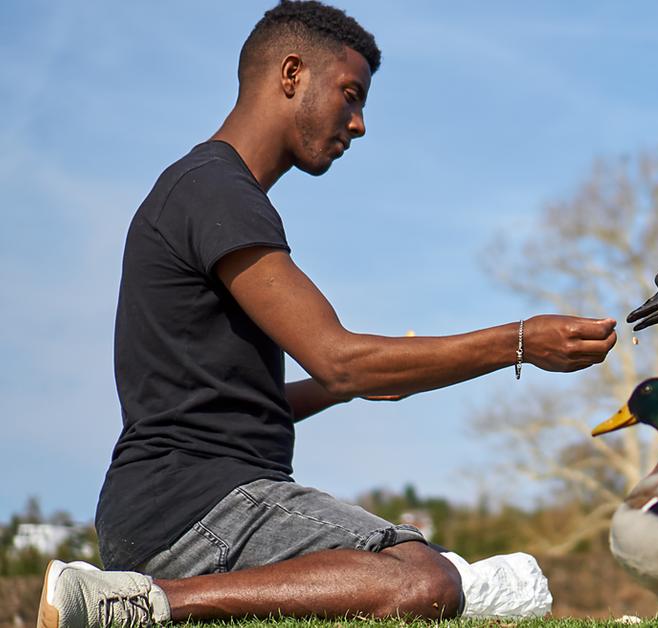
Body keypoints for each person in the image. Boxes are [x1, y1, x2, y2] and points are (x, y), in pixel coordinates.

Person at [37, 2, 618, 626]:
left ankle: (139, 598)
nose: (359, 123)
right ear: (291, 74)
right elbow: (342, 360)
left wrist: (345, 391)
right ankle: (139, 604)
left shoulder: (204, 191)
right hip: (198, 509)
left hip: (159, 510)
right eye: (350, 94)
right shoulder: (216, 191)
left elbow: (237, 406)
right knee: (423, 578)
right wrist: (521, 341)